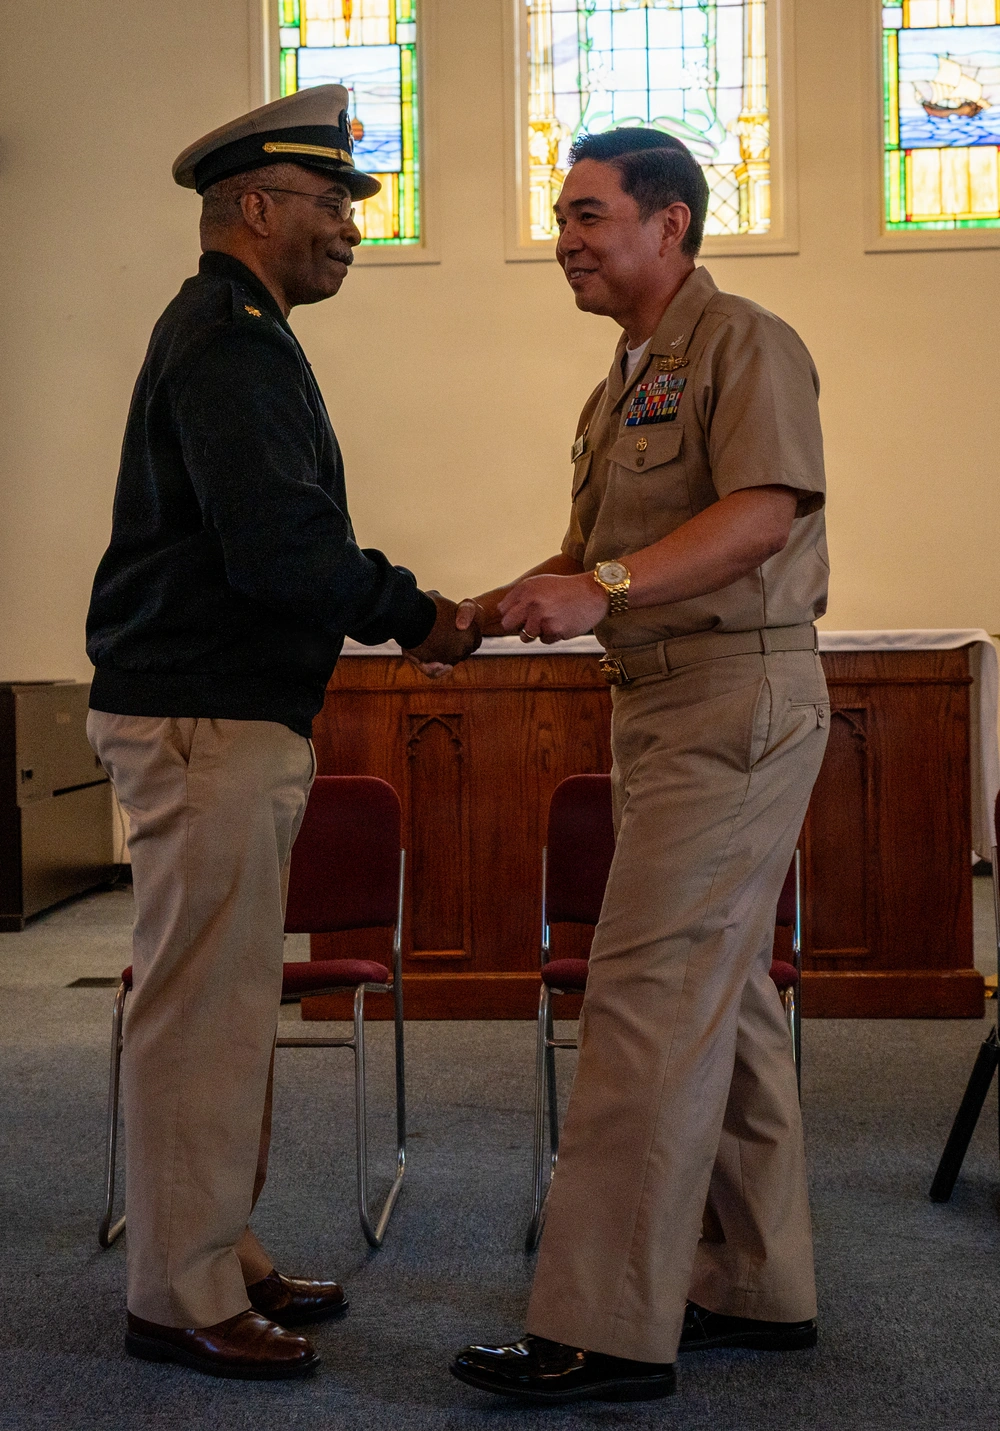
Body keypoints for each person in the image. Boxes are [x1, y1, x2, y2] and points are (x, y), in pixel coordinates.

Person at [86, 84, 479, 1381]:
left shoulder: (237, 329)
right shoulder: (231, 341)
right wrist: (417, 615)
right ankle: (178, 1288)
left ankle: (218, 1242)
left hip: (216, 708)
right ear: (253, 206)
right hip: (202, 716)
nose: (351, 226)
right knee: (201, 1014)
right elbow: (279, 549)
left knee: (230, 1002)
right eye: (332, 202)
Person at [446, 128, 830, 1405]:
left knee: (647, 994)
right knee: (722, 995)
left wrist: (601, 589)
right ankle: (756, 1280)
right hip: (662, 705)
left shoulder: (743, 343)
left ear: (669, 223)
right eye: (561, 216)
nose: (564, 238)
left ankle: (604, 1327)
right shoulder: (624, 377)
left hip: (730, 697)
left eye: (587, 214)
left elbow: (761, 514)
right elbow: (588, 556)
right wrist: (487, 606)